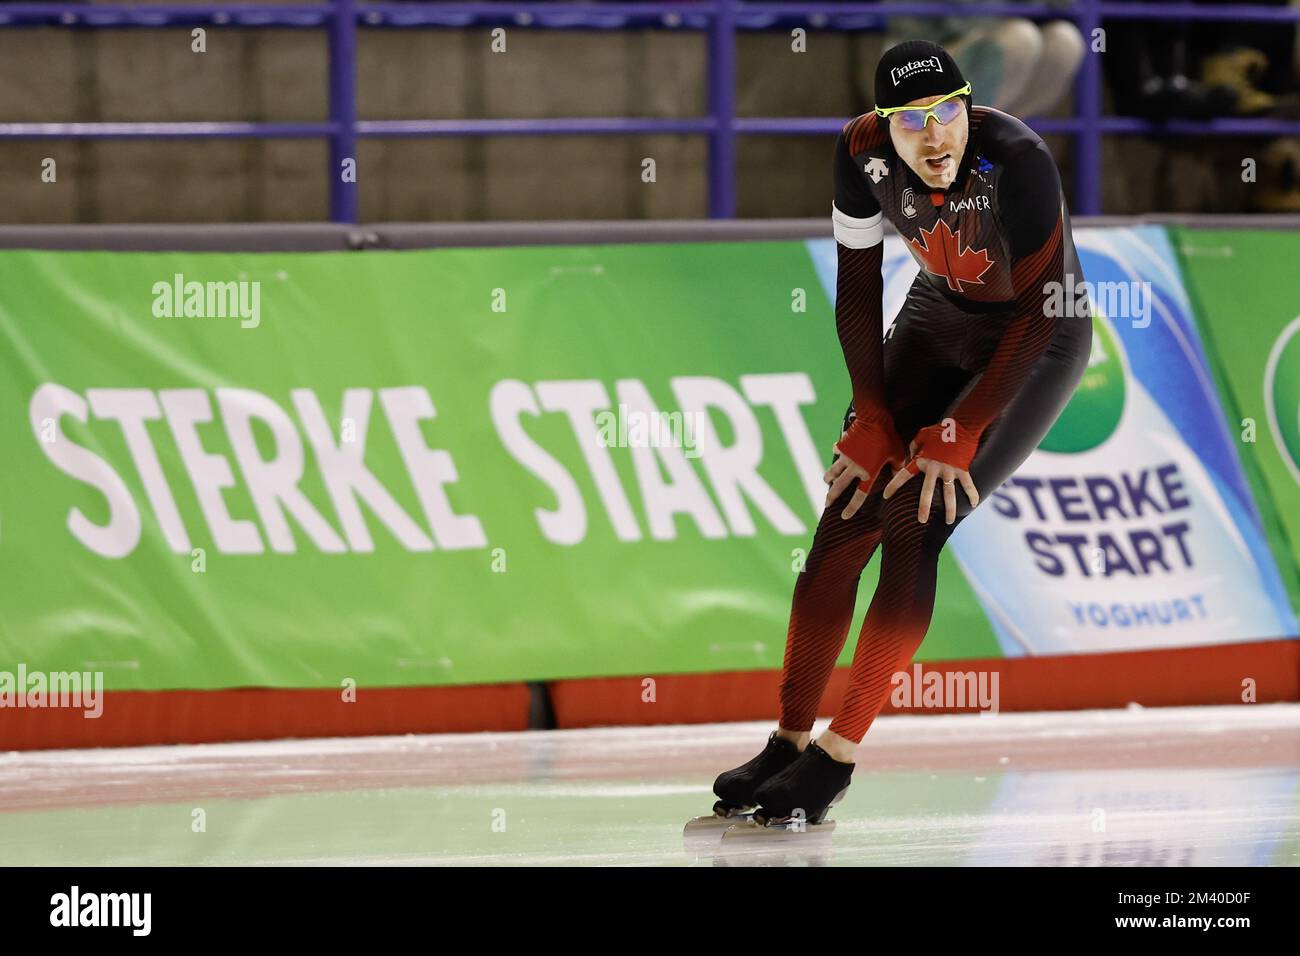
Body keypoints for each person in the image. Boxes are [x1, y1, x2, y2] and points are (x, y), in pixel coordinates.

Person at [711, 39, 1093, 828]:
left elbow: (1035, 315)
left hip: (1037, 336)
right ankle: (787, 742)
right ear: (883, 127)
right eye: (913, 122)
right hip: (936, 315)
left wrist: (965, 427)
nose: (936, 137)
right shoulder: (858, 154)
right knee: (845, 518)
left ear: (969, 107)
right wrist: (873, 414)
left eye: (949, 113)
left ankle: (837, 757)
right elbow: (856, 293)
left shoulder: (1017, 159)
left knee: (917, 513)